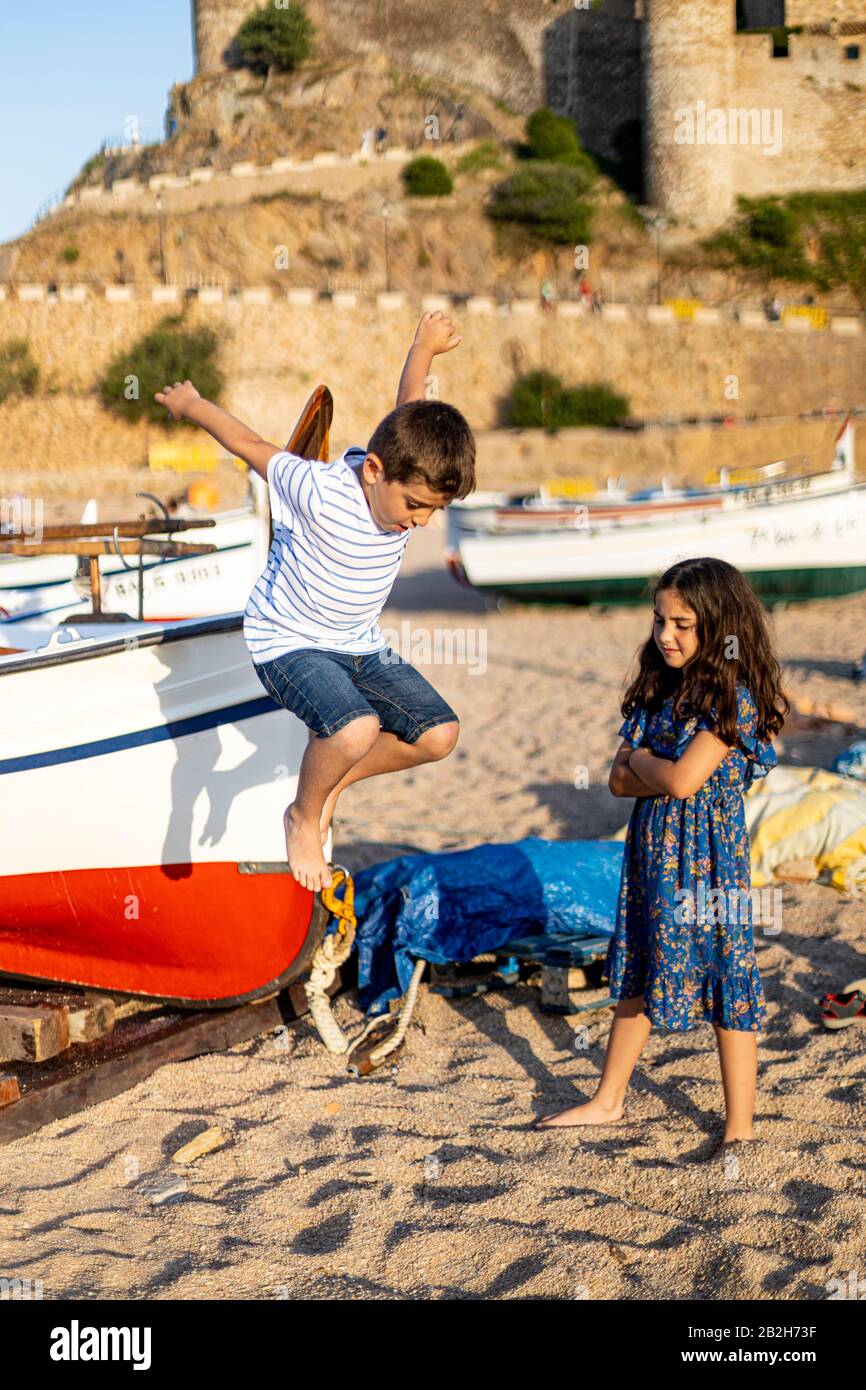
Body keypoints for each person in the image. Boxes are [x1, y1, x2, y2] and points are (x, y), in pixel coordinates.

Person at [155, 311, 473, 893]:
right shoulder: (316, 490)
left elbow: (408, 405)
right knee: (354, 730)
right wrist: (193, 404)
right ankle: (303, 815)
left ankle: (330, 784)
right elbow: (249, 443)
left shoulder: (399, 475)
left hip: (359, 645)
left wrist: (422, 346)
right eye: (416, 506)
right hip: (288, 643)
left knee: (439, 735)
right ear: (374, 471)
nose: (423, 523)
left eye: (434, 511)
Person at [537, 556, 787, 1150]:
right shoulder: (660, 688)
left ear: (720, 627)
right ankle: (608, 1100)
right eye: (659, 619)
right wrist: (661, 768)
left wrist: (651, 765)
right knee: (641, 967)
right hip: (652, 851)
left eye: (683, 623)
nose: (665, 635)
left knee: (727, 975)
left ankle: (739, 1128)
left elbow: (678, 782)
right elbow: (617, 781)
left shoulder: (735, 698)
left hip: (710, 860)